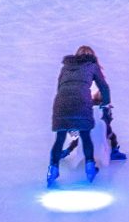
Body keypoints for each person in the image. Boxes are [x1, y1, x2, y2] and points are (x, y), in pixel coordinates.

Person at [48, 45, 112, 186]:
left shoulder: (66, 66)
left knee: (60, 138)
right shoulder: (92, 65)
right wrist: (106, 104)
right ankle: (90, 168)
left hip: (61, 102)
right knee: (85, 134)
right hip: (81, 101)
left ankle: (52, 169)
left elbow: (59, 86)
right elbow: (104, 87)